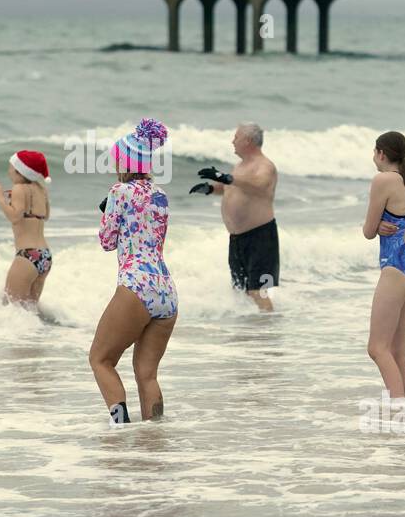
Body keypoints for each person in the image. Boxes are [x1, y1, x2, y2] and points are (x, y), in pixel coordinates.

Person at [89, 118, 176, 425]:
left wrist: (106, 211)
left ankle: (120, 429)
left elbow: (106, 241)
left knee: (100, 359)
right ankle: (155, 433)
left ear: (124, 162)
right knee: (147, 374)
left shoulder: (119, 191)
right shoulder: (160, 195)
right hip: (165, 289)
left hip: (136, 285)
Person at [189, 122, 279, 310]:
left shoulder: (265, 166)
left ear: (248, 141)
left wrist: (226, 177)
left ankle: (271, 333)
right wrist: (211, 188)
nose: (232, 141)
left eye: (236, 137)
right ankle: (249, 333)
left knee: (258, 291)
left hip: (261, 238)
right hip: (238, 239)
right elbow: (231, 187)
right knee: (240, 291)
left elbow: (258, 186)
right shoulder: (239, 166)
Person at [362, 131, 405, 398]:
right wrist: (380, 226)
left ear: (381, 154)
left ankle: (399, 410)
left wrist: (376, 227)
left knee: (377, 348)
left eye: (374, 153)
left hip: (396, 267)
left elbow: (367, 230)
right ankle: (402, 414)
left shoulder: (383, 180)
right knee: (397, 351)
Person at [0, 150, 52, 307]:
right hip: (44, 256)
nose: (9, 171)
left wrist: (0, 198)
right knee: (29, 311)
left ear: (20, 171)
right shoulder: (41, 189)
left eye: (11, 168)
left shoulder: (18, 188)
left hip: (27, 256)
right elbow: (46, 215)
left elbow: (15, 217)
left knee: (10, 307)